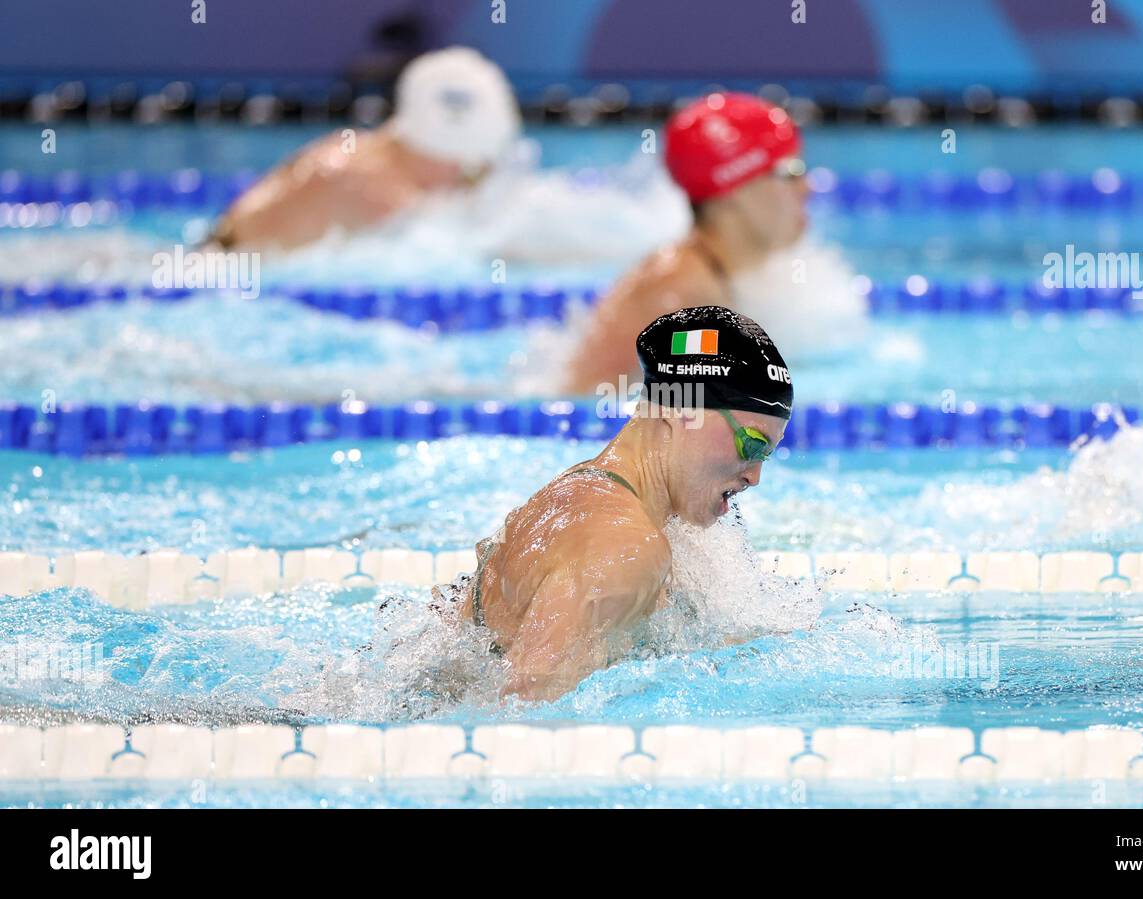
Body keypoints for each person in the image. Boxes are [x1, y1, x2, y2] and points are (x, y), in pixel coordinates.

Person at [465, 306, 793, 701]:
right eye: (752, 444)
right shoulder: (622, 545)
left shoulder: (587, 493)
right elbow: (523, 714)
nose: (754, 476)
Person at [562, 92, 809, 393]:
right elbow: (592, 401)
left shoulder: (713, 274)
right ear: (735, 186)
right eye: (790, 172)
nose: (806, 188)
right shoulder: (679, 294)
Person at [207, 47, 520, 251]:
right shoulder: (382, 195)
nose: (461, 188)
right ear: (448, 156)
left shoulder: (355, 146)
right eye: (472, 175)